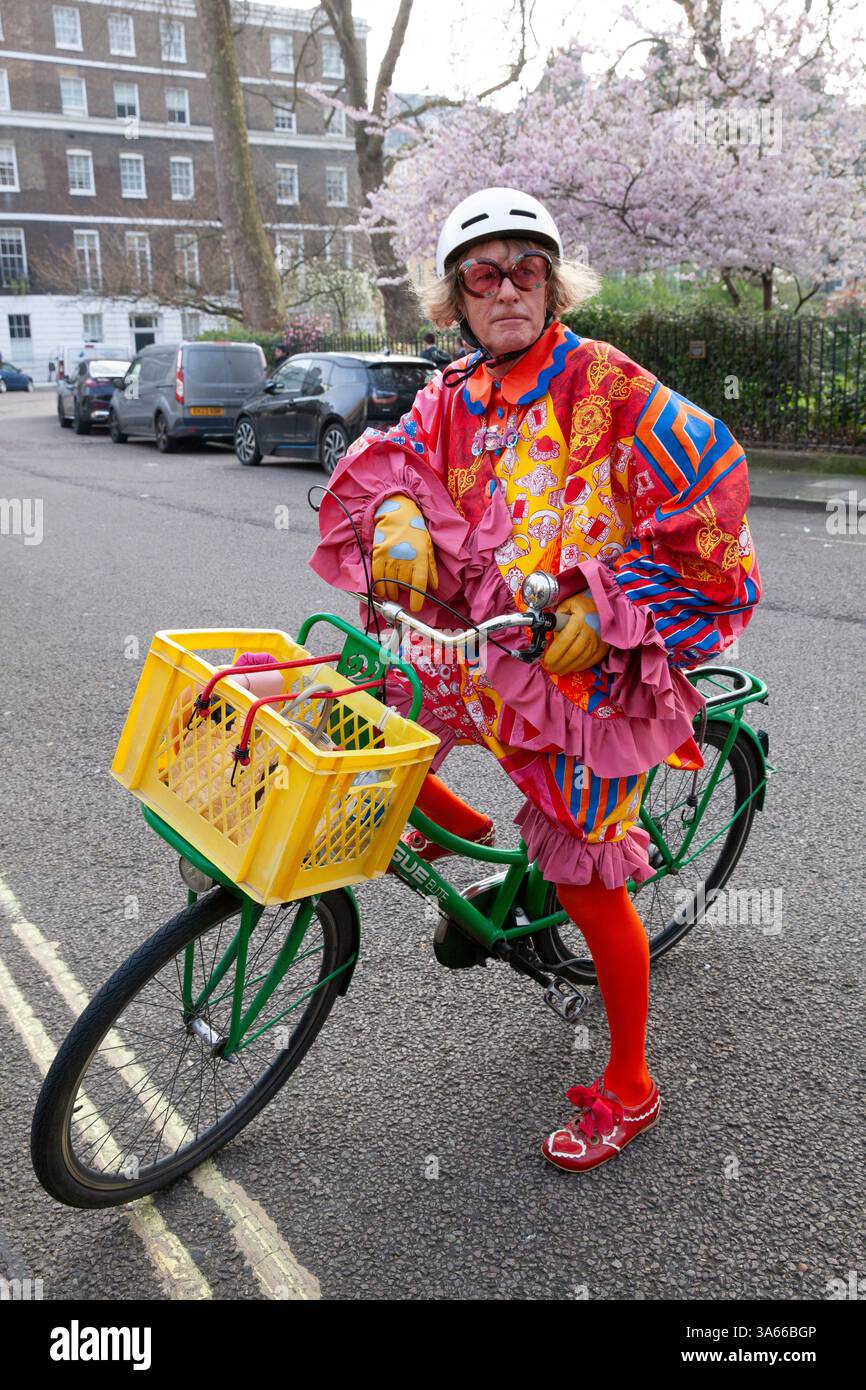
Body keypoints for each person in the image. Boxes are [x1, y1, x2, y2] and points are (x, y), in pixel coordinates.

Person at [310, 187, 762, 1173]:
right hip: (483, 644)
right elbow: (394, 462)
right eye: (483, 272)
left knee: (585, 882)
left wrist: (602, 603)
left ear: (551, 284)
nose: (506, 287)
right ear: (456, 298)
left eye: (525, 268)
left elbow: (710, 495)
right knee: (373, 693)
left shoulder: (607, 384)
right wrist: (392, 512)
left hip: (577, 673)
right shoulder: (453, 393)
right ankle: (466, 835)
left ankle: (631, 1086)